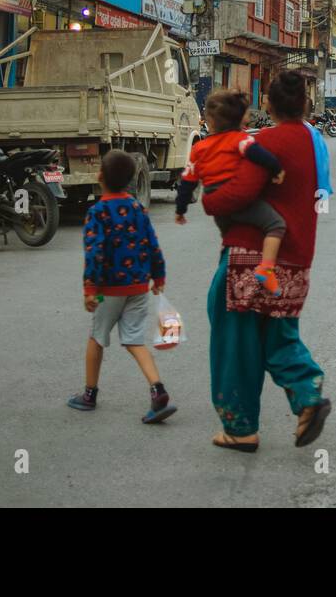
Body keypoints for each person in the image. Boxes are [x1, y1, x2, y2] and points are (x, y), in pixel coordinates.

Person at [204, 71, 332, 452]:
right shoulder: (313, 141)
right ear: (306, 105)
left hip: (249, 258)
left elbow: (237, 194)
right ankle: (307, 392)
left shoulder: (265, 142)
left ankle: (240, 427)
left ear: (268, 105)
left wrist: (209, 200)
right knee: (278, 333)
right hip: (295, 257)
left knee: (234, 338)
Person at [68, 149, 174, 423]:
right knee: (135, 340)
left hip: (109, 289)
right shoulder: (139, 209)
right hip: (138, 286)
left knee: (97, 337)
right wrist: (159, 276)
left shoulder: (98, 211)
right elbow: (152, 243)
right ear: (130, 180)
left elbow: (95, 252)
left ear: (100, 176)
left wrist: (90, 288)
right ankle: (157, 389)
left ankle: (89, 394)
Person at [176, 90, 285, 296]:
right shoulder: (239, 140)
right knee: (275, 225)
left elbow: (187, 180)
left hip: (214, 202)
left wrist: (180, 210)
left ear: (210, 121)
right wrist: (277, 169)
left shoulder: (200, 148)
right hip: (236, 196)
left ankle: (226, 266)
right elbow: (260, 155)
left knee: (228, 235)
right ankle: (266, 270)